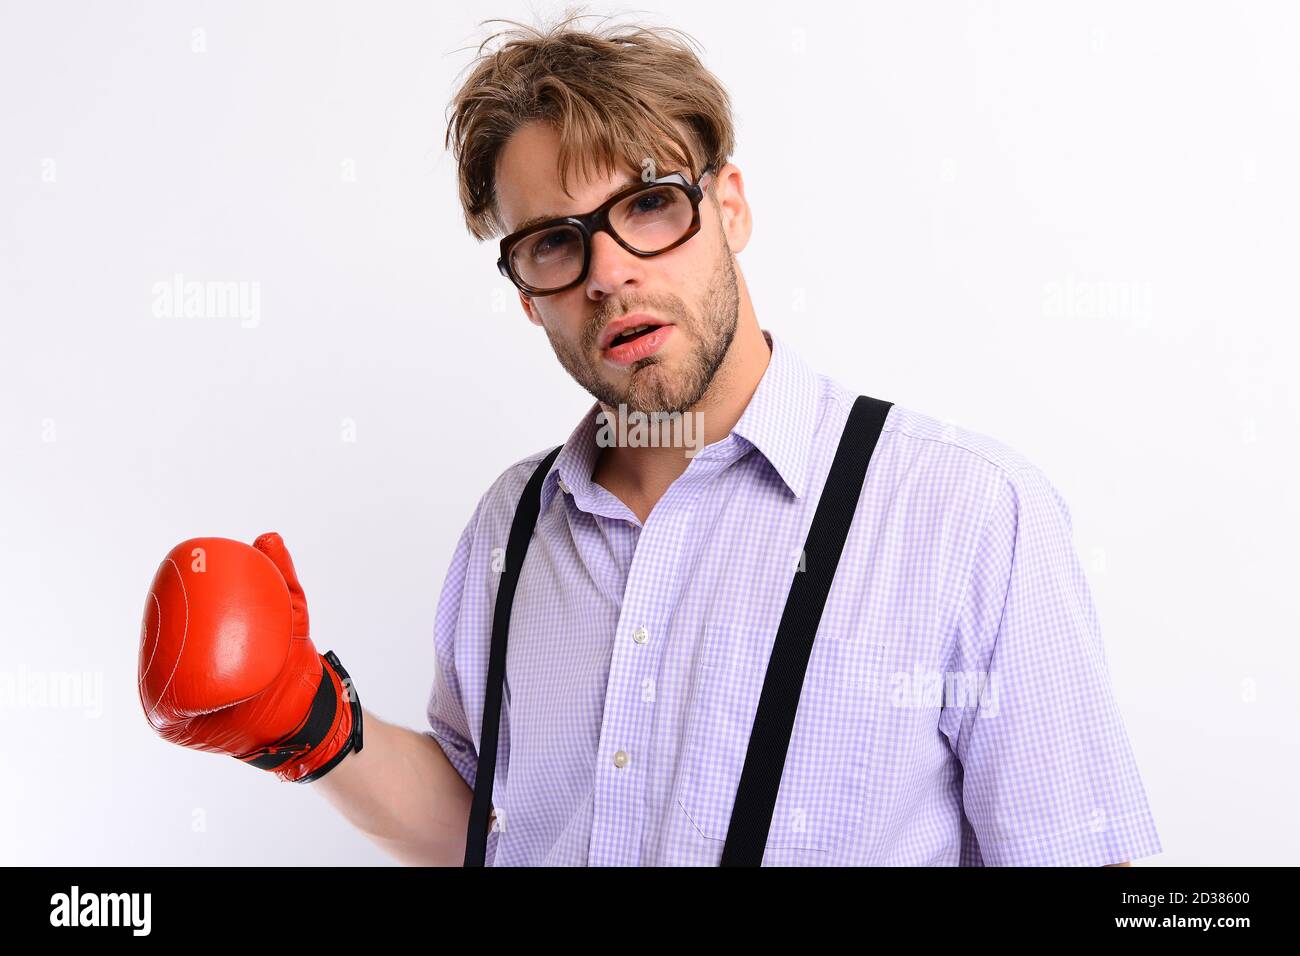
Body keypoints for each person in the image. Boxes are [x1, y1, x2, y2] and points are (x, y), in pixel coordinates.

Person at [138, 12, 1161, 867]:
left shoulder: (964, 514)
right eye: (554, 241)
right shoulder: (512, 525)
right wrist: (308, 719)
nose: (608, 272)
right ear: (526, 295)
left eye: (649, 207)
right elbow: (484, 820)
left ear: (730, 206)